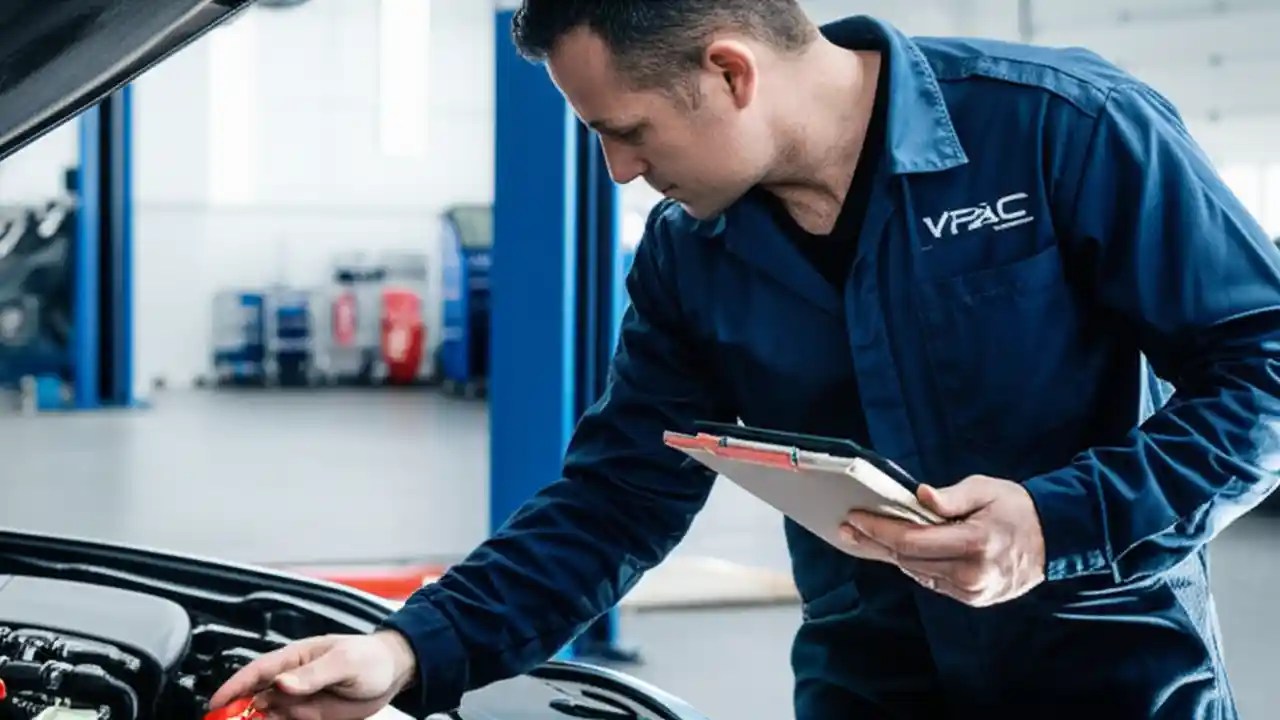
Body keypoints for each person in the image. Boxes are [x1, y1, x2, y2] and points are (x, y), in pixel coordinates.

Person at [209, 3, 1280, 718]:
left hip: (1106, 678)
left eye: (625, 131)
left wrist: (1058, 520)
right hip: (864, 688)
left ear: (729, 70)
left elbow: (1264, 365)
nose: (619, 171)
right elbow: (616, 495)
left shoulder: (1058, 130)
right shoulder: (692, 256)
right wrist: (409, 651)